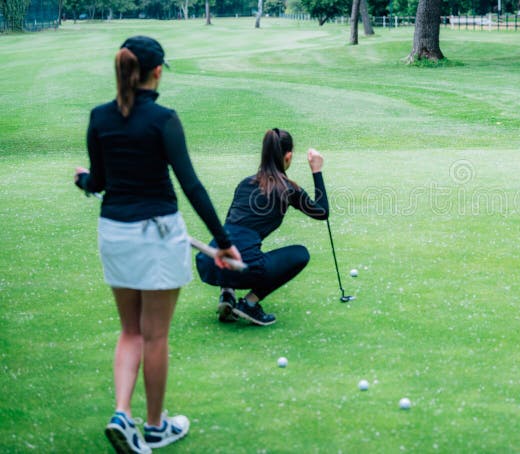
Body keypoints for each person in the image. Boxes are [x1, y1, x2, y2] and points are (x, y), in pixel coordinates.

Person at [74, 36, 241, 454]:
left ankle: (120, 413)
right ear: (157, 72)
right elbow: (192, 186)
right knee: (155, 336)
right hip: (159, 233)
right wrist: (223, 243)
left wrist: (82, 181)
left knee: (129, 330)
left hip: (115, 232)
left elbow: (98, 182)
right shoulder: (164, 119)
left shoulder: (99, 117)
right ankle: (153, 427)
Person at [195, 128, 329, 326]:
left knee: (234, 238)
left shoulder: (244, 184)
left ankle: (227, 294)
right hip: (244, 266)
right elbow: (322, 212)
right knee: (300, 254)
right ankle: (249, 304)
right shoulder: (288, 189)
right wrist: (316, 171)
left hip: (209, 261)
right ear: (288, 156)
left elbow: (228, 228)